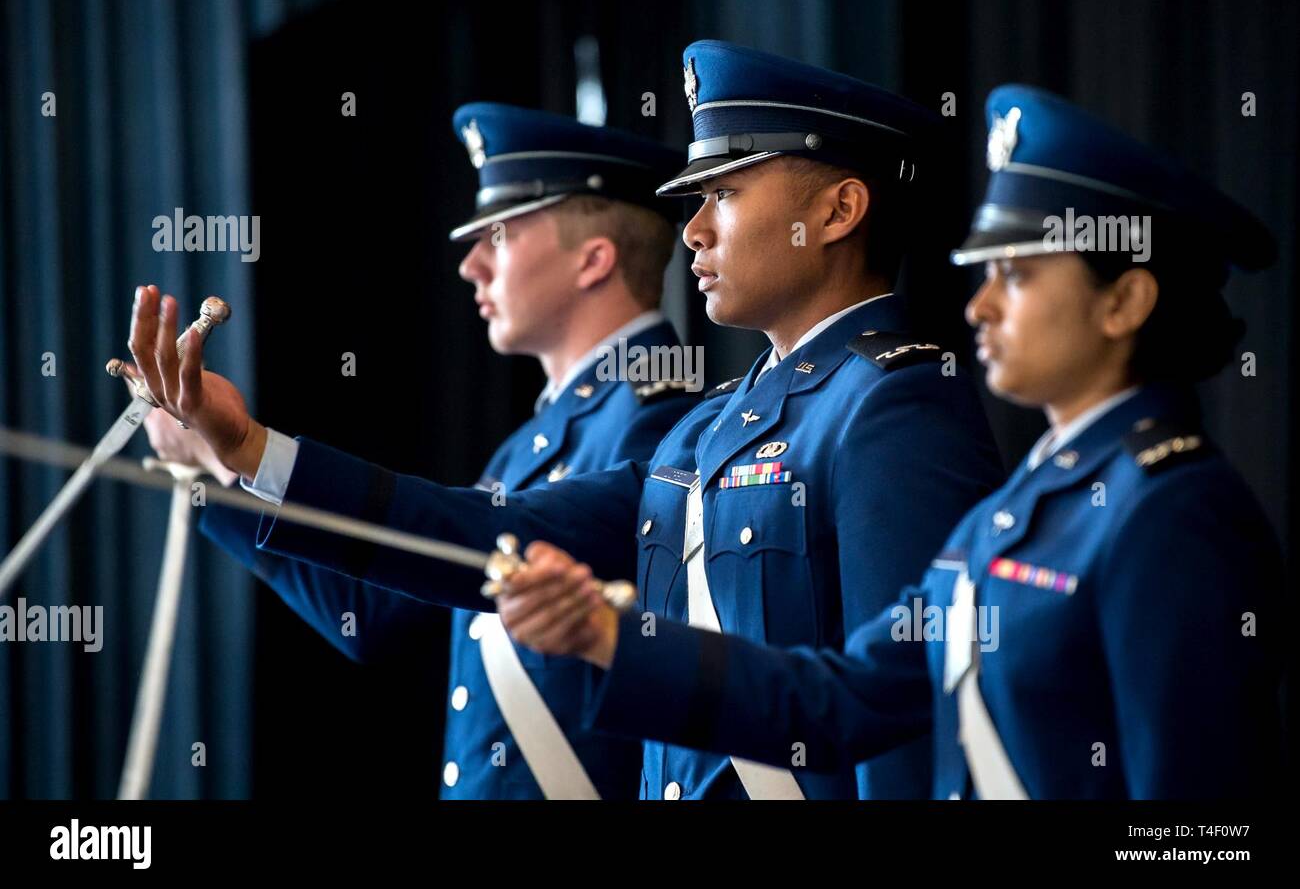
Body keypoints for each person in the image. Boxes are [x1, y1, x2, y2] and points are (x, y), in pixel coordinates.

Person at [125, 41, 1004, 799]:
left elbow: (902, 715)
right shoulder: (708, 428)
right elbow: (485, 536)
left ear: (839, 211)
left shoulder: (894, 402)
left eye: (723, 193)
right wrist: (246, 452)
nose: (692, 232)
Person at [495, 85, 1285, 799]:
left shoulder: (1174, 508)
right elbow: (846, 697)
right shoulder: (1014, 511)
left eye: (1016, 275)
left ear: (1125, 302)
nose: (978, 310)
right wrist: (610, 638)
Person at [135, 103, 696, 799]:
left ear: (594, 258)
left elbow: (478, 542)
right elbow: (372, 617)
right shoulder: (534, 443)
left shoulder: (660, 422)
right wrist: (216, 469)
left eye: (497, 235)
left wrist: (249, 448)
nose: (470, 266)